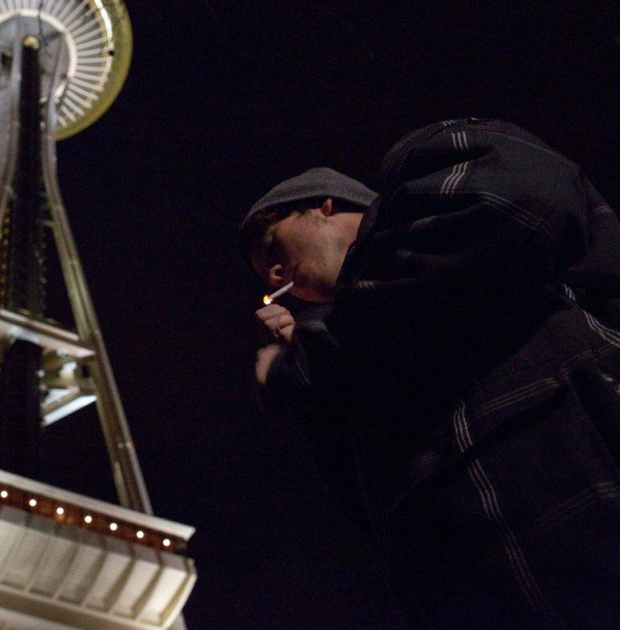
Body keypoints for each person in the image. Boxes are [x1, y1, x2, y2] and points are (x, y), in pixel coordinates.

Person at [241, 119, 620, 628]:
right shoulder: (354, 356)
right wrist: (299, 380)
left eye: (272, 247)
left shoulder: (427, 178)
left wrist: (328, 340)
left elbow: (527, 199)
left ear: (323, 206)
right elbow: (371, 509)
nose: (272, 275)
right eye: (265, 271)